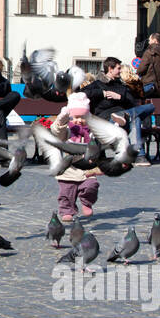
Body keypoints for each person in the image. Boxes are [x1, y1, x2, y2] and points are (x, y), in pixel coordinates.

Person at [51, 93, 102, 222]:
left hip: (87, 168)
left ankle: (86, 202)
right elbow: (57, 131)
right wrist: (61, 120)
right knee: (66, 192)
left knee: (92, 185)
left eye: (82, 117)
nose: (79, 120)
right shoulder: (67, 130)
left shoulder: (91, 131)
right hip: (69, 168)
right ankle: (67, 211)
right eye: (76, 117)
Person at [138, 33, 160, 98]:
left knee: (147, 105)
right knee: (159, 106)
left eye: (150, 40)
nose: (149, 42)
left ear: (155, 40)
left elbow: (141, 69)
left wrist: (138, 73)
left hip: (149, 84)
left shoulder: (149, 52)